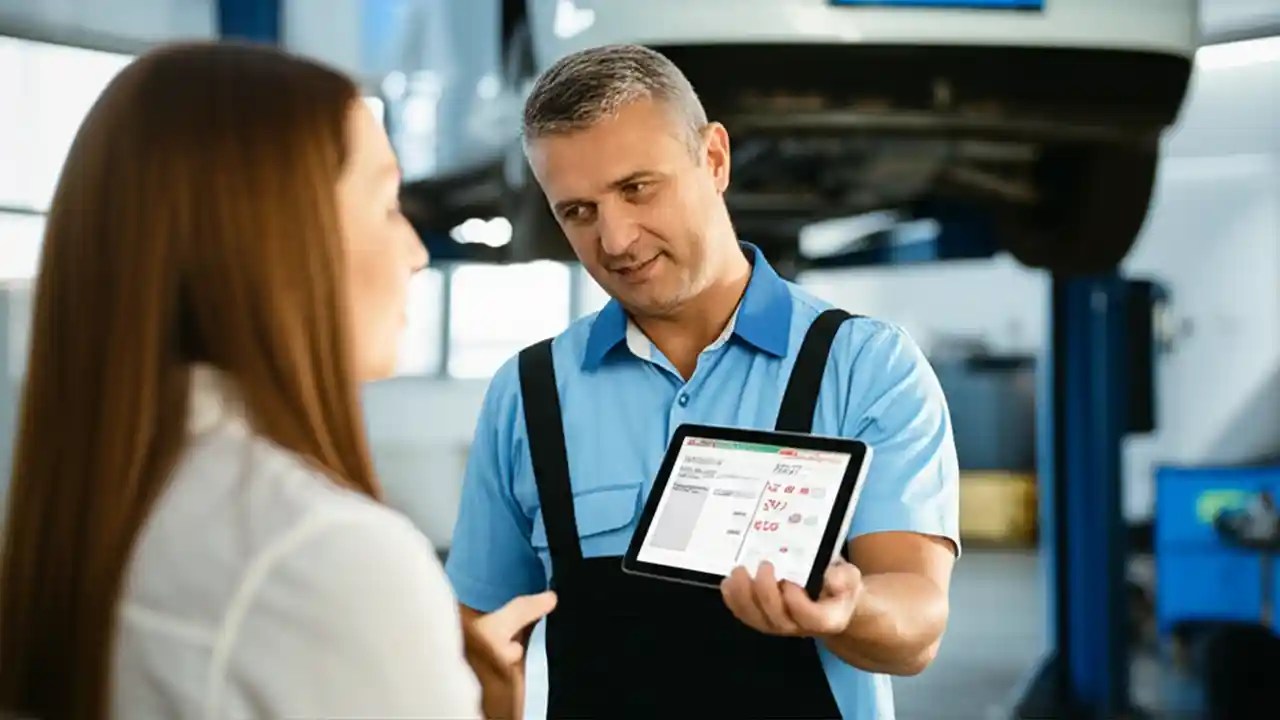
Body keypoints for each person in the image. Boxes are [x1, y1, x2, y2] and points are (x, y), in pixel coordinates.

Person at [0, 42, 553, 720]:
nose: (414, 253)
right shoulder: (326, 555)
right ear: (276, 241)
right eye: (386, 205)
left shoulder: (109, 500)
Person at [445, 43, 961, 719]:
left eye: (637, 189)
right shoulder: (529, 394)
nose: (617, 240)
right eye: (578, 212)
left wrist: (847, 606)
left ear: (714, 159)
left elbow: (917, 623)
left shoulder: (864, 368)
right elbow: (481, 641)